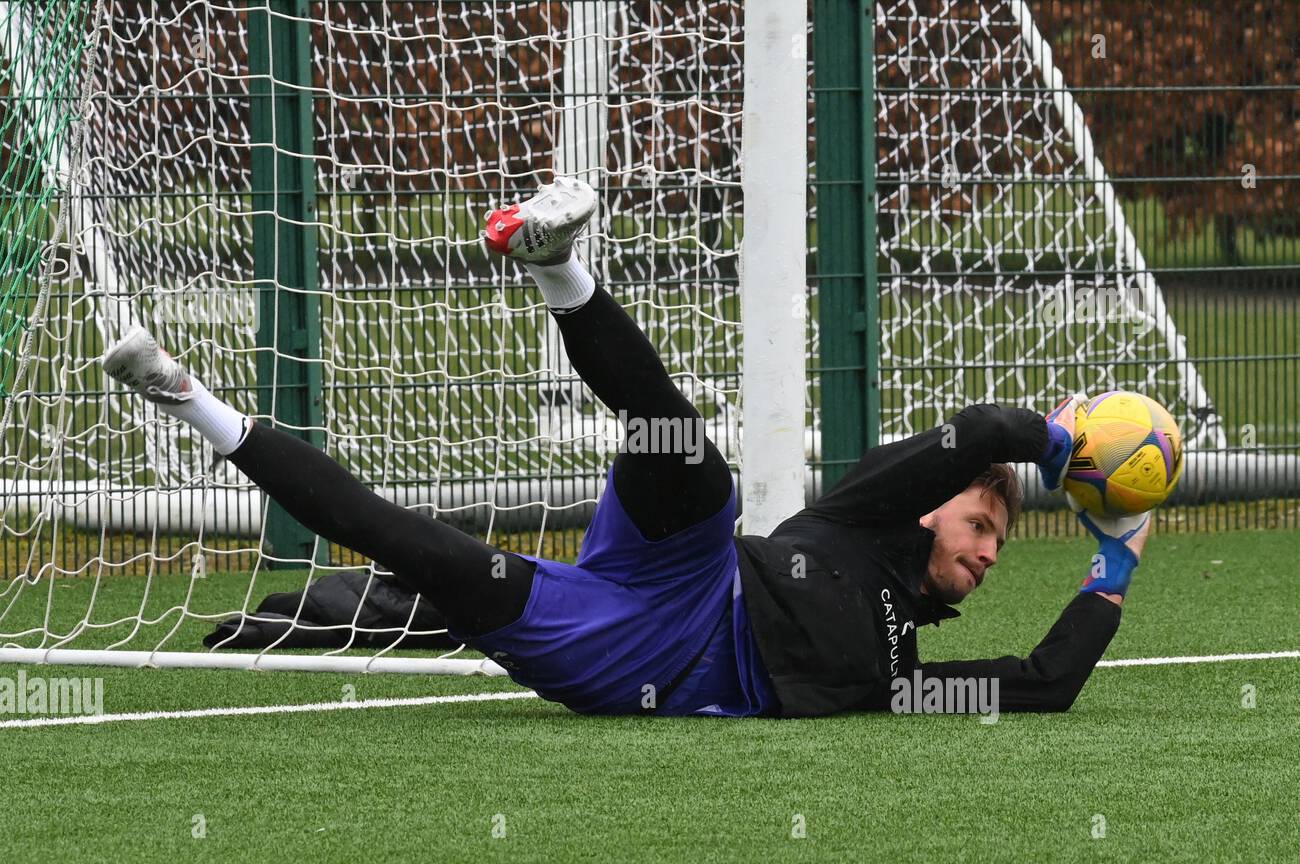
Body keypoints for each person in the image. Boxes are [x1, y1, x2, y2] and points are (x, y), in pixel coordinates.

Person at [102, 177, 1150, 718]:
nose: (987, 549)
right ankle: (558, 266)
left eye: (1000, 544)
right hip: (687, 566)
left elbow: (1043, 684)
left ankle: (185, 395)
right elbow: (967, 436)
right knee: (696, 466)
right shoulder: (853, 515)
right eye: (981, 521)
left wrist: (1115, 562)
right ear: (930, 509)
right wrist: (1053, 443)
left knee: (422, 550)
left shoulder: (906, 676)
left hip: (635, 649)